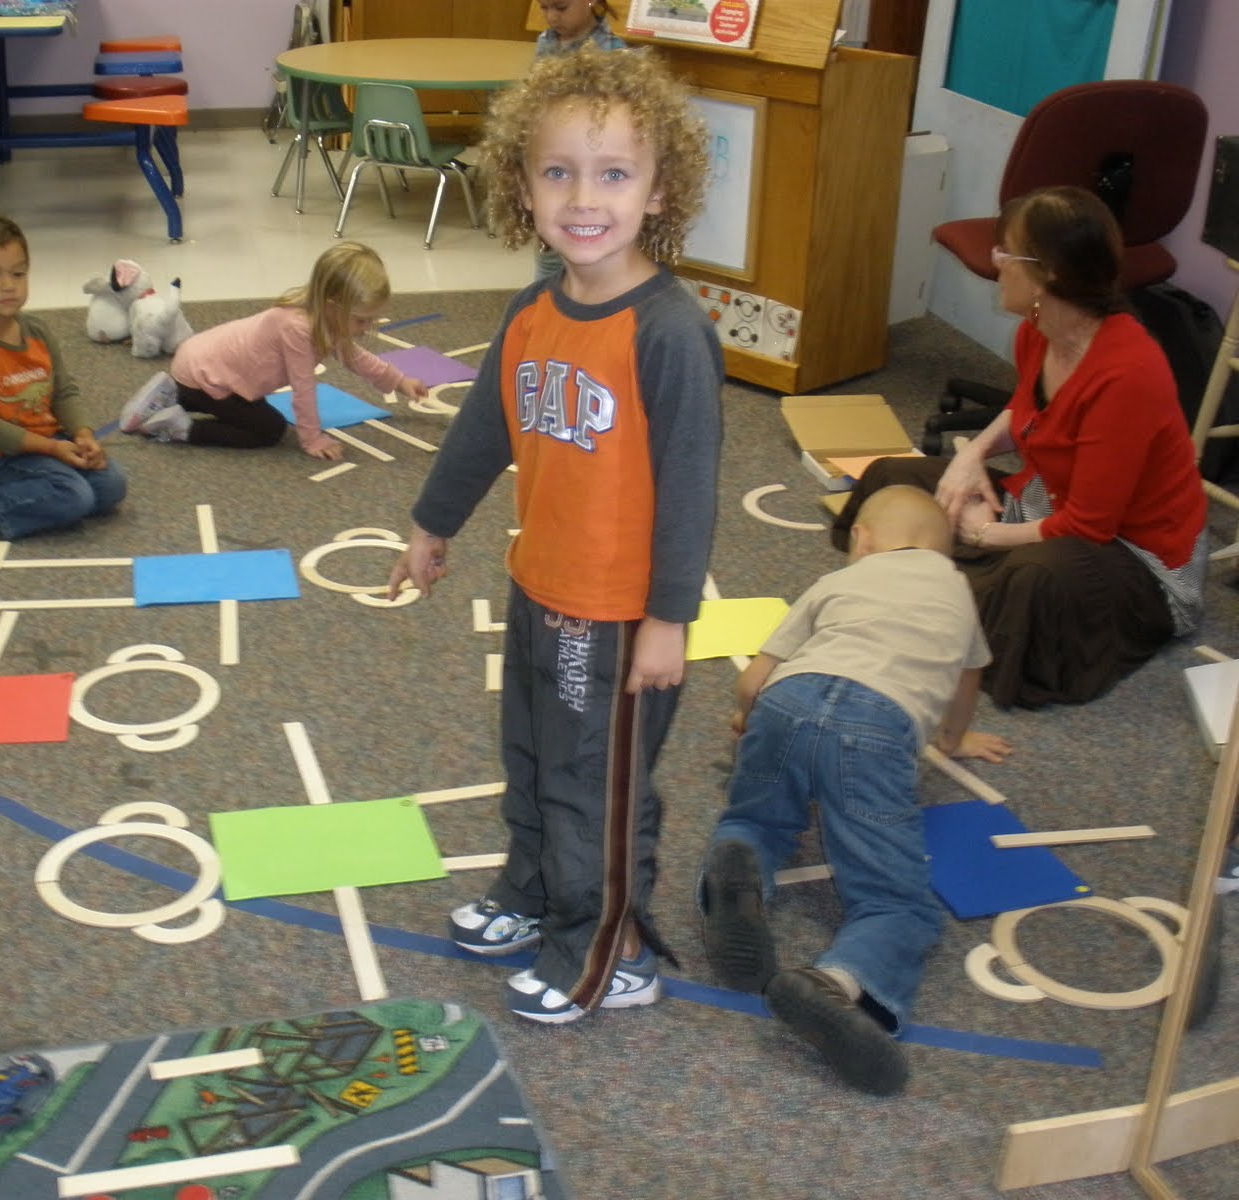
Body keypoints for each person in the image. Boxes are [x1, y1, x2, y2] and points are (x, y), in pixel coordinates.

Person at [386, 47, 719, 1024]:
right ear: (521, 186)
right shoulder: (536, 311)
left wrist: (668, 621)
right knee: (533, 760)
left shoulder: (667, 332)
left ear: (658, 191)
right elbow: (484, 427)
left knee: (594, 788)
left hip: (617, 616)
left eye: (614, 174)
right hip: (540, 586)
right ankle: (533, 894)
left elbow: (690, 490)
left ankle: (607, 949)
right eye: (559, 172)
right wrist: (431, 523)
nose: (584, 198)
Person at [834, 185, 1208, 707]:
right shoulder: (1037, 330)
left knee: (1033, 579)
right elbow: (1026, 411)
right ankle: (936, 585)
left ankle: (931, 588)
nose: (995, 261)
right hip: (1049, 501)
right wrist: (971, 457)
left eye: (1006, 252)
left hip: (1136, 554)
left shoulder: (1128, 374)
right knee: (891, 479)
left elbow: (1090, 525)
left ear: (1047, 274)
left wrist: (983, 534)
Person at [698, 486, 1010, 1095]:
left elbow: (755, 679)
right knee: (897, 903)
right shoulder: (958, 592)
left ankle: (735, 877)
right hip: (877, 728)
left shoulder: (838, 581)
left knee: (755, 819)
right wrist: (953, 738)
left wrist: (748, 721)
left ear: (862, 539)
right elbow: (969, 674)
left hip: (787, 699)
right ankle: (840, 983)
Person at [118, 242, 429, 461]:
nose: (367, 327)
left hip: (199, 365)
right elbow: (303, 389)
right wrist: (312, 439)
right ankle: (182, 427)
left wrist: (399, 381)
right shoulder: (299, 328)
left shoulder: (323, 316)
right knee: (269, 430)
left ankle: (171, 394)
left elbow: (355, 357)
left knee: (249, 409)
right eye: (362, 320)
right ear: (332, 306)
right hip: (205, 377)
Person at [0, 213, 127, 553]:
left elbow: (63, 390)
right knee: (74, 496)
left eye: (18, 273)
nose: (8, 285)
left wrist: (83, 436)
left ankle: (31, 492)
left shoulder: (36, 330)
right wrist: (53, 449)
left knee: (112, 485)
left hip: (46, 440)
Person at [532, 1, 625, 283]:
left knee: (589, 249)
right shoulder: (545, 42)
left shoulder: (613, 51)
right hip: (553, 159)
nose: (552, 17)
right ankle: (544, 298)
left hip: (593, 160)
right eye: (544, 8)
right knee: (549, 249)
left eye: (561, 8)